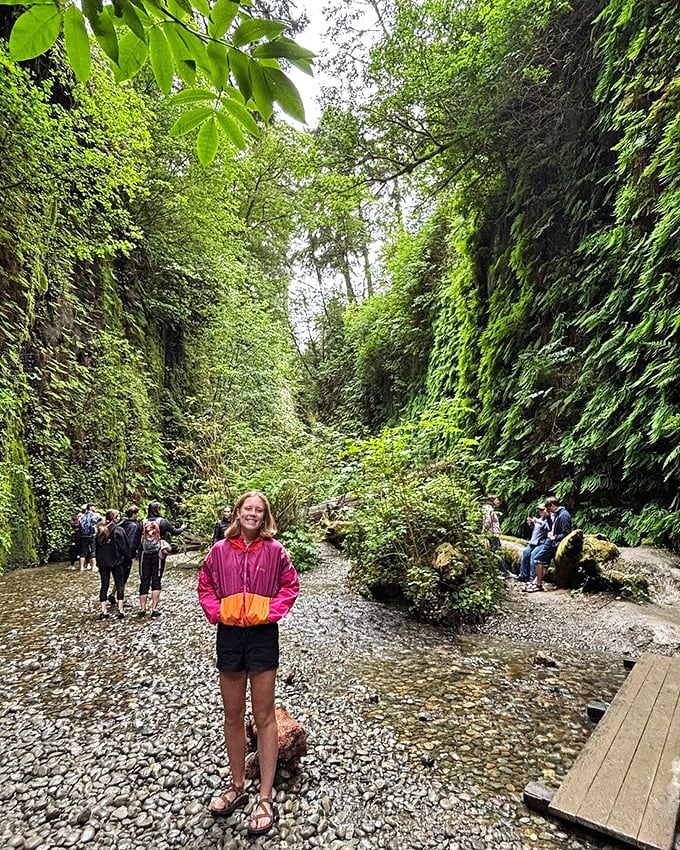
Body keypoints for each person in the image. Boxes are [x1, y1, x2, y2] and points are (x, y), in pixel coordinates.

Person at [197, 490, 300, 836]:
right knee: (232, 715)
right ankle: (237, 785)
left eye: (258, 510)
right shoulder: (219, 551)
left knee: (265, 715)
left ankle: (266, 798)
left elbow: (290, 585)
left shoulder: (275, 551)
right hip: (228, 635)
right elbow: (205, 585)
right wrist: (218, 611)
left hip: (262, 636)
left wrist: (270, 612)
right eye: (247, 509)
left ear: (264, 515)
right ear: (238, 513)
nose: (252, 514)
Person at [137, 500, 186, 618]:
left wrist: (135, 553)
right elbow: (175, 532)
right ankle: (154, 609)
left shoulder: (142, 523)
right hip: (158, 554)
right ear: (158, 510)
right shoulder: (163, 522)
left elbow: (136, 539)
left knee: (144, 580)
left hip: (144, 553)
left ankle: (142, 608)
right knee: (156, 580)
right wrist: (183, 527)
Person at [527, 496, 572, 592]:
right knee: (544, 563)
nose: (549, 511)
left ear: (552, 505)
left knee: (538, 559)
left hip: (553, 543)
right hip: (551, 541)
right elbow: (553, 527)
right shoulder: (558, 514)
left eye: (548, 509)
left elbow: (566, 533)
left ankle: (538, 584)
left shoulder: (564, 515)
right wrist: (547, 517)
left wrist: (554, 537)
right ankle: (535, 582)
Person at [95, 509, 128, 619]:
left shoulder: (100, 530)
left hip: (103, 563)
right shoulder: (118, 530)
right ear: (115, 518)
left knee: (104, 585)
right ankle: (120, 609)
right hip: (116, 561)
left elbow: (96, 548)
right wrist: (127, 558)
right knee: (119, 584)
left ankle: (103, 611)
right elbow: (124, 547)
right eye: (118, 516)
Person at [482, 495, 515, 578]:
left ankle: (504, 571)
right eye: (497, 500)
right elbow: (488, 522)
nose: (498, 502)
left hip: (494, 534)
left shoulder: (488, 509)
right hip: (492, 535)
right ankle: (503, 572)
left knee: (498, 552)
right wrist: (486, 531)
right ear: (492, 500)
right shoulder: (488, 509)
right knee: (497, 553)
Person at [518, 503, 551, 582]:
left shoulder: (549, 520)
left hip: (541, 543)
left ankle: (532, 577)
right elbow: (535, 531)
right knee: (525, 553)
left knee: (534, 555)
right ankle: (523, 575)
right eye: (539, 510)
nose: (540, 511)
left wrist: (538, 522)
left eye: (542, 510)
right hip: (532, 542)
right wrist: (531, 524)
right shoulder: (540, 519)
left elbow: (548, 530)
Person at [117, 504, 142, 605]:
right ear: (134, 514)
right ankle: (121, 600)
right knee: (124, 577)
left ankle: (113, 594)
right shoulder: (133, 526)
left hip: (118, 553)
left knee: (119, 576)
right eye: (136, 513)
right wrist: (131, 556)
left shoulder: (122, 523)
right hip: (126, 554)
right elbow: (131, 543)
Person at [78, 503, 102, 572]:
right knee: (93, 550)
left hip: (83, 535)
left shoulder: (82, 516)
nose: (95, 508)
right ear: (90, 507)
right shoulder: (95, 515)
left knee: (83, 552)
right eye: (94, 506)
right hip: (92, 535)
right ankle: (93, 567)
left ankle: (82, 567)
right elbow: (102, 519)